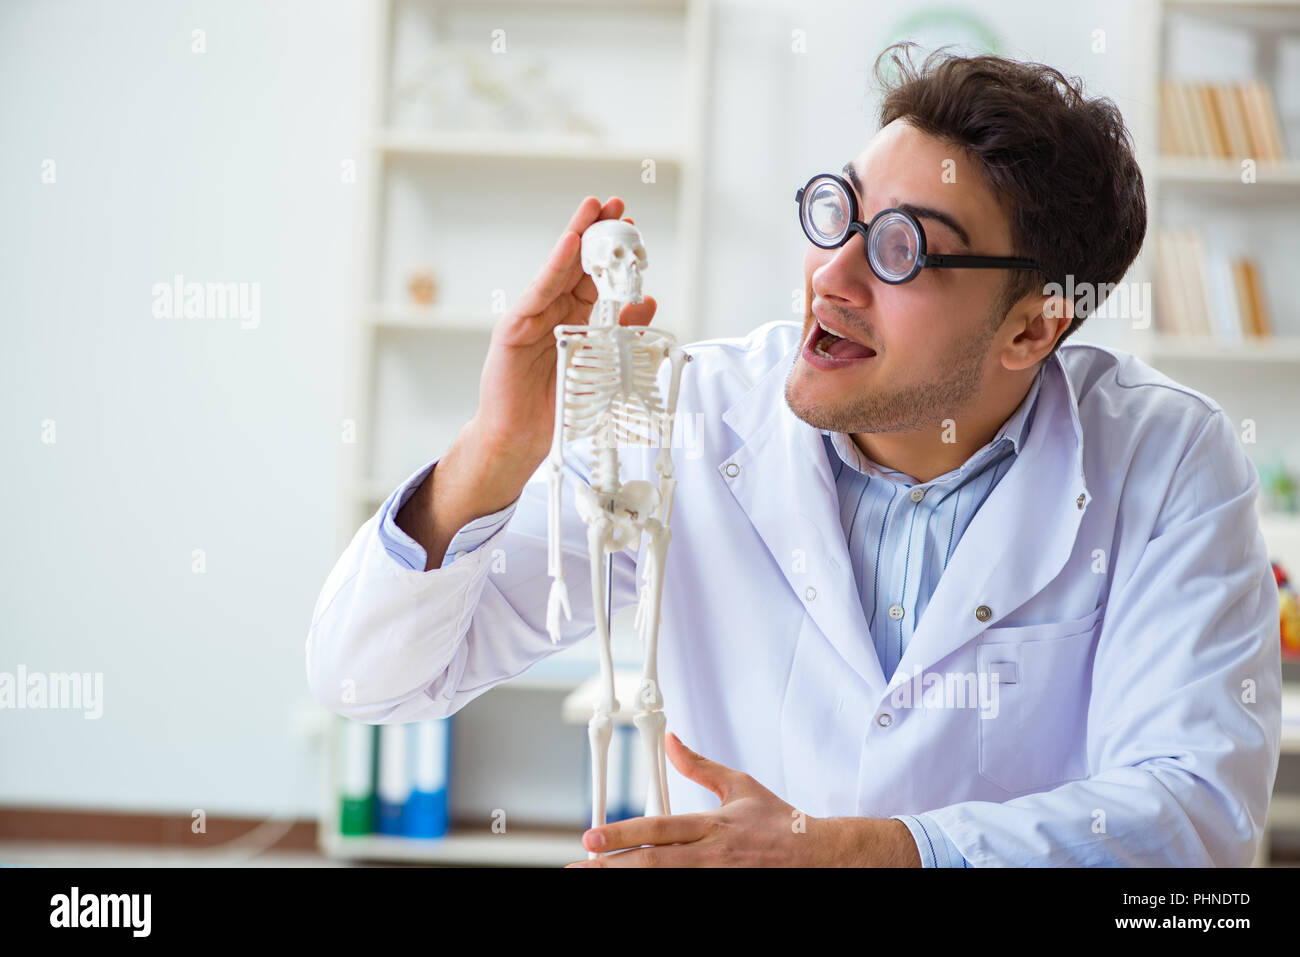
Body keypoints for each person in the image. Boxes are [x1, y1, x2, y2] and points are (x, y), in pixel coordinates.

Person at [307, 44, 1281, 867]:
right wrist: (495, 452)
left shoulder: (1165, 459)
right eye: (838, 212)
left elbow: (1195, 822)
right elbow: (370, 682)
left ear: (1030, 329)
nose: (833, 274)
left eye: (903, 249)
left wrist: (863, 851)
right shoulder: (688, 415)